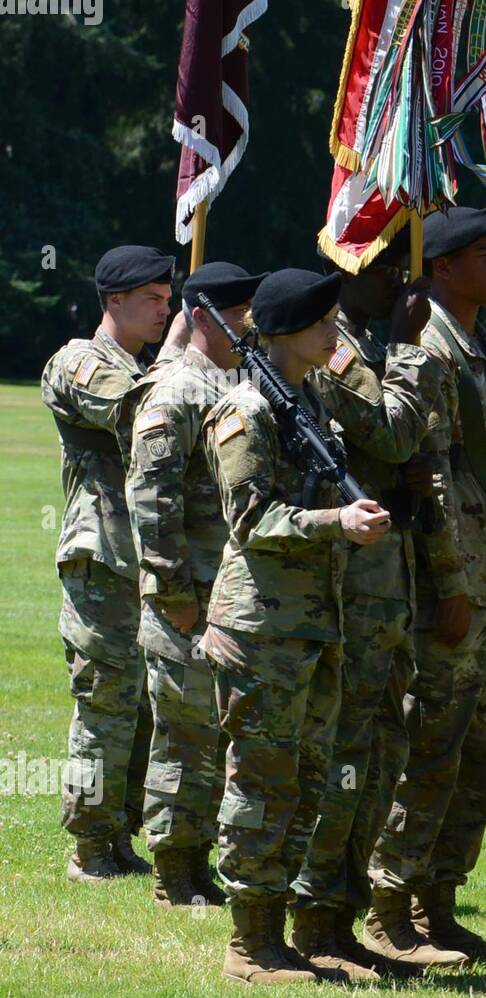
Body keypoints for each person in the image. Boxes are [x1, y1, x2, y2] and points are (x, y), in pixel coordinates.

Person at [201, 268, 392, 984]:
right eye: (323, 324)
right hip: (262, 627)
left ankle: (278, 938)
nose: (335, 333)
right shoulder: (246, 411)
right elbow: (249, 521)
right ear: (285, 332)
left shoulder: (310, 398)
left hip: (314, 624)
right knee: (262, 782)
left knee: (308, 783)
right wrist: (335, 521)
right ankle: (248, 946)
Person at [293, 244, 466, 978]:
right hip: (354, 586)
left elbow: (418, 449)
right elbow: (395, 433)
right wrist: (405, 345)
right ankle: (315, 923)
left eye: (406, 259)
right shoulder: (338, 351)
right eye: (383, 261)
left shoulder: (359, 349)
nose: (402, 274)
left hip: (391, 579)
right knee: (346, 755)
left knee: (382, 753)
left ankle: (346, 918)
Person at [367, 206, 486, 966]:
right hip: (448, 583)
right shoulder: (427, 353)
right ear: (443, 269)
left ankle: (440, 904)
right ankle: (387, 906)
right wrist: (452, 585)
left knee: (478, 750)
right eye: (484, 256)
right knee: (429, 747)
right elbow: (423, 476)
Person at [128, 261, 266, 908]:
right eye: (240, 313)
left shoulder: (235, 381)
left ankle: (200, 861)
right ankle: (174, 870)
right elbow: (150, 501)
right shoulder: (178, 390)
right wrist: (173, 593)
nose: (250, 324)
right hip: (187, 599)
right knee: (184, 737)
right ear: (207, 316)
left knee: (216, 735)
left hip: (228, 594)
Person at [43, 244, 175, 882]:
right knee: (106, 707)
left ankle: (121, 834)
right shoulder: (81, 361)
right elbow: (138, 413)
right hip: (102, 559)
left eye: (169, 298)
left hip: (143, 562)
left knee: (145, 706)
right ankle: (90, 846)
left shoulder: (145, 364)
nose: (165, 308)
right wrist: (183, 359)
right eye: (152, 298)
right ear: (113, 301)